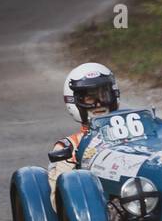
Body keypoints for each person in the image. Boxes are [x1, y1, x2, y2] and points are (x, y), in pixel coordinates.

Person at [47, 61, 120, 205]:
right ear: (74, 101)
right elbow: (59, 202)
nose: (98, 103)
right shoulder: (69, 146)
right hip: (93, 205)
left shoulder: (134, 134)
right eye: (89, 98)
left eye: (103, 95)